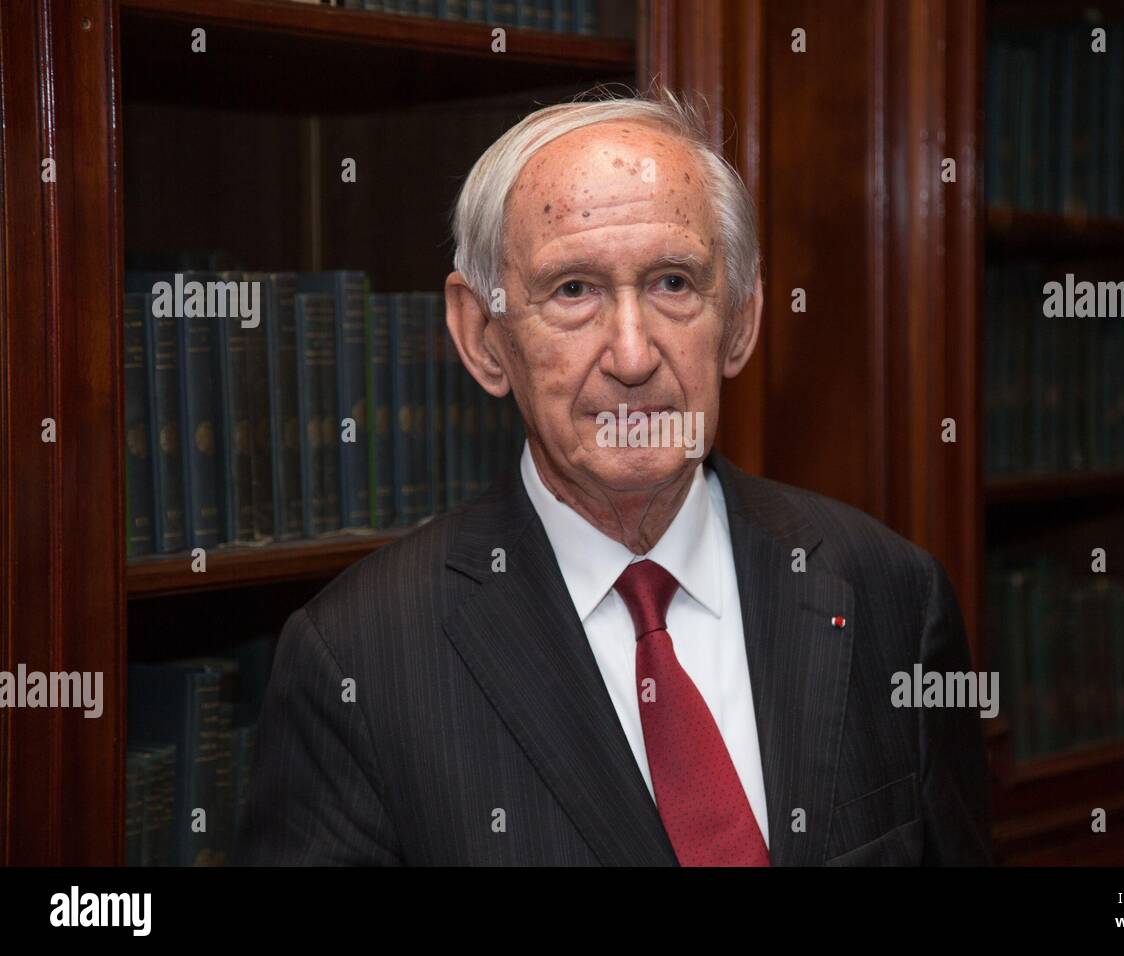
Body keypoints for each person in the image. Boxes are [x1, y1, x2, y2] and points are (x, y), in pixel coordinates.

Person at [234, 88, 994, 866]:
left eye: (673, 283)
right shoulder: (357, 662)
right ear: (483, 337)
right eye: (573, 291)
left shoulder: (892, 594)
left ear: (740, 317)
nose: (633, 356)